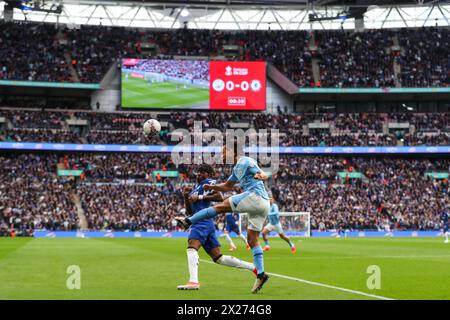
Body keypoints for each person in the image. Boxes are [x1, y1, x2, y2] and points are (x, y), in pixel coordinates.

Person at [176, 143, 271, 294]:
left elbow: (265, 173)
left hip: (255, 197)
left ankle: (188, 221)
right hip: (263, 205)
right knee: (252, 240)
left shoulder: (246, 161)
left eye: (224, 151)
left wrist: (262, 175)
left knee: (220, 207)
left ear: (233, 151)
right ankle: (260, 274)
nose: (222, 154)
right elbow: (227, 186)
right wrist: (212, 187)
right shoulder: (236, 169)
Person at [177, 164, 256, 290]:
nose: (199, 174)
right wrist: (186, 196)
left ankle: (193, 281)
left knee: (192, 247)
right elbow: (189, 212)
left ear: (208, 174)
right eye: (198, 172)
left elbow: (219, 197)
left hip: (202, 222)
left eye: (202, 172)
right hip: (203, 222)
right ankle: (253, 267)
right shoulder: (196, 188)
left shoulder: (208, 183)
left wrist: (201, 197)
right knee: (218, 257)